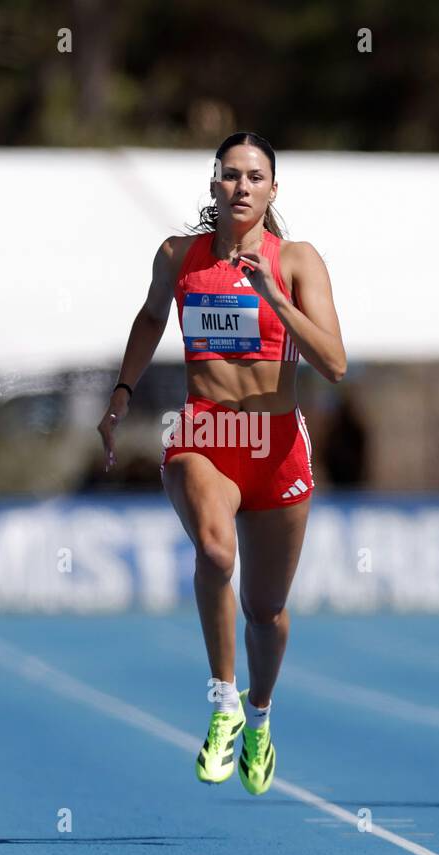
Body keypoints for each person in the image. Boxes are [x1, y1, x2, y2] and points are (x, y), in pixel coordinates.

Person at [98, 132, 346, 794]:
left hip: (277, 444)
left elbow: (336, 362)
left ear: (272, 190)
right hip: (205, 429)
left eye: (254, 176)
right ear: (213, 185)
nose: (241, 186)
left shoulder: (296, 260)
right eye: (229, 175)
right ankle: (225, 702)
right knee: (214, 552)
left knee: (266, 610)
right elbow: (151, 318)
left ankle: (261, 715)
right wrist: (122, 394)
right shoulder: (179, 256)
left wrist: (277, 297)